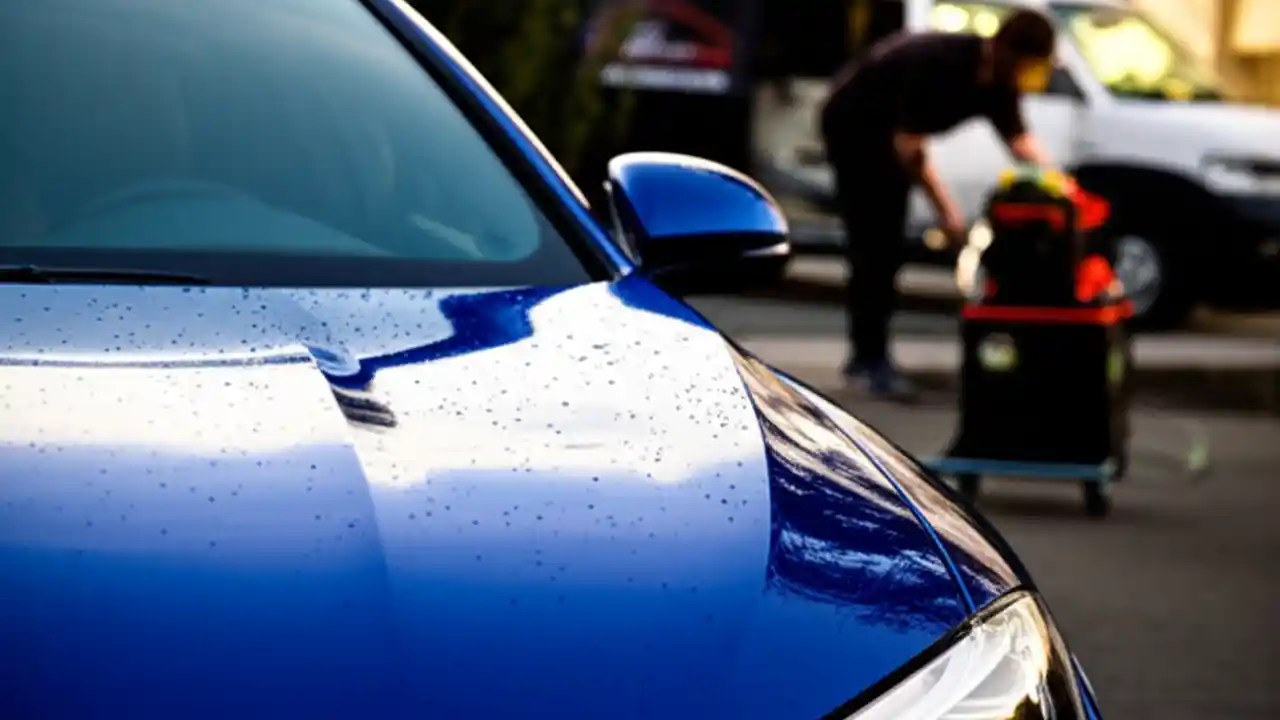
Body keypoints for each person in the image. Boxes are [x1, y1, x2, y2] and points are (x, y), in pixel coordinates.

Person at [821, 9, 1056, 400]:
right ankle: (868, 359)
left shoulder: (1000, 82)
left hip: (894, 139)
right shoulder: (939, 64)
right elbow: (910, 149)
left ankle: (868, 354)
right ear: (1003, 49)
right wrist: (948, 214)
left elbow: (1020, 142)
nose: (1026, 77)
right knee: (876, 244)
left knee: (885, 245)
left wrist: (1060, 186)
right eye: (1025, 65)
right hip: (855, 128)